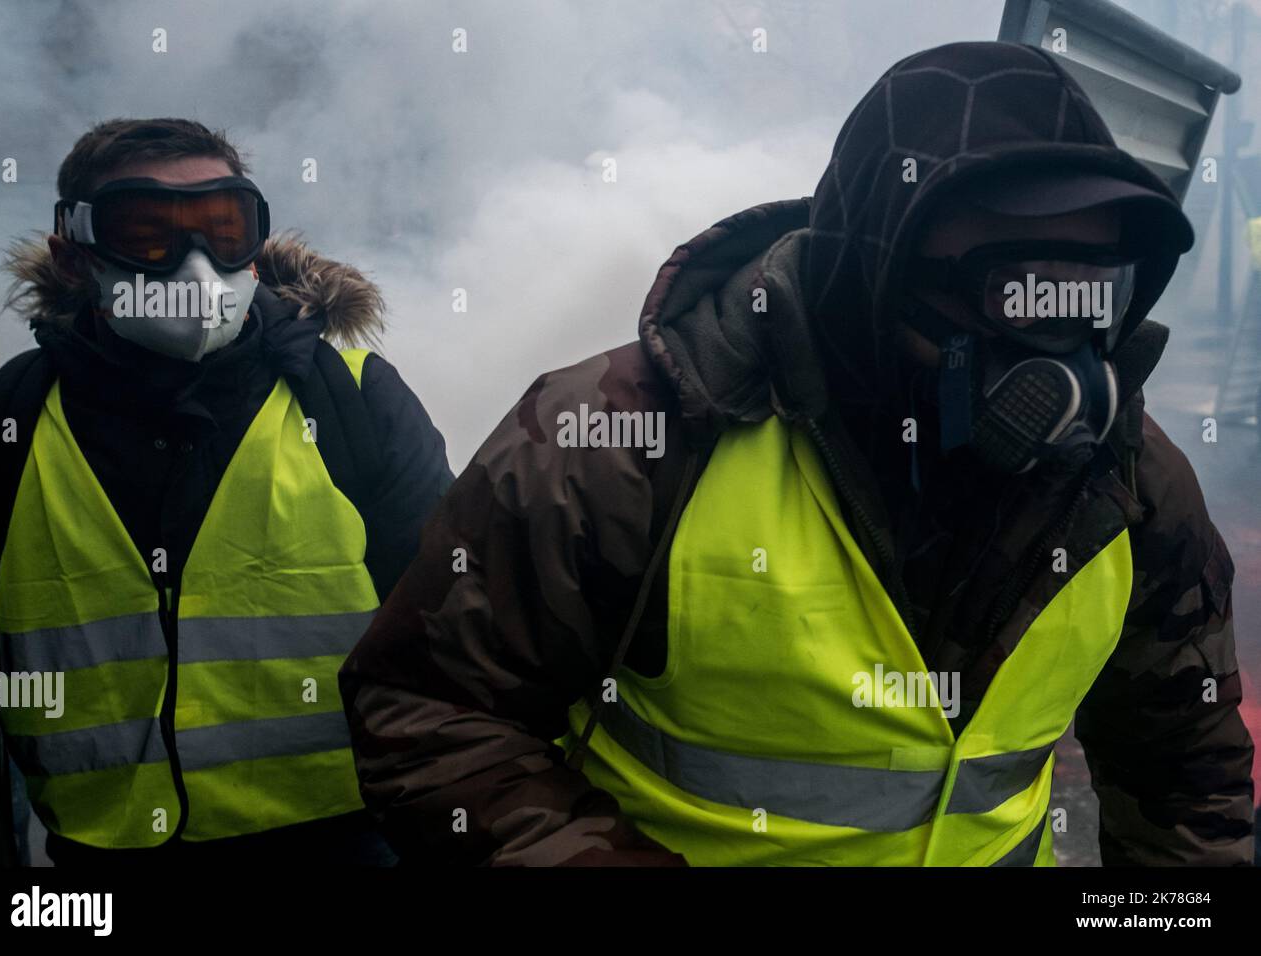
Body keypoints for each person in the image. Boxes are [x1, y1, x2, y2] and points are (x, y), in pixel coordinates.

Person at [339, 42, 1253, 866]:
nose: (1063, 351)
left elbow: (1187, 778)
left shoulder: (1129, 477)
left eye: (1092, 294)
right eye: (1023, 288)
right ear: (879, 272)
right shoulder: (619, 439)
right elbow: (432, 713)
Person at [0, 118, 452, 864]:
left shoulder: (352, 403)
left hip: (347, 847)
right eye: (150, 234)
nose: (195, 268)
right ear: (72, 256)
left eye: (223, 230)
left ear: (255, 249)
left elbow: (460, 638)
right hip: (96, 867)